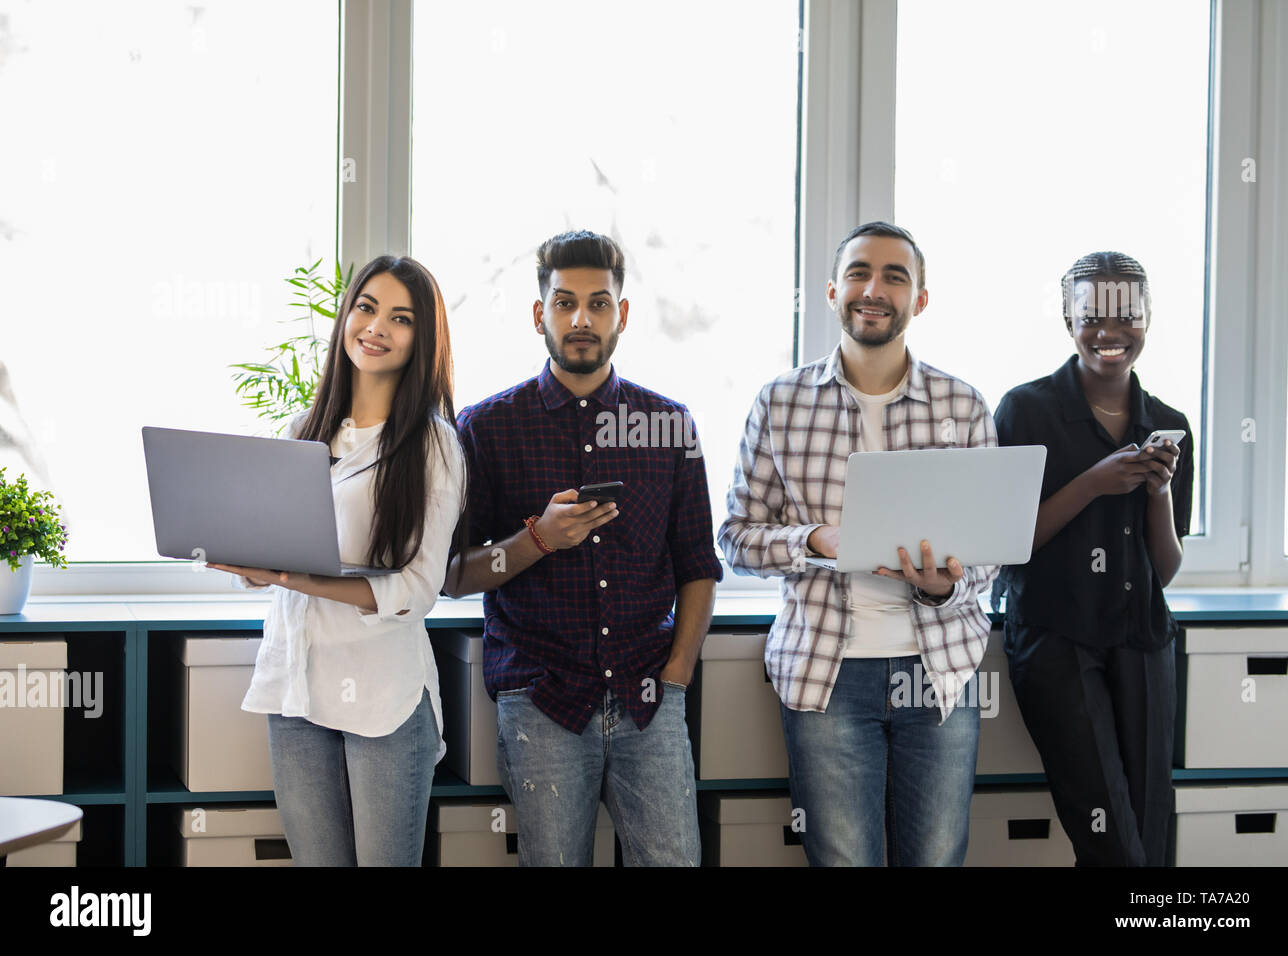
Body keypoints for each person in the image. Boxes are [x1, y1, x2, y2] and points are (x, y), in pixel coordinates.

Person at [718, 221, 997, 866]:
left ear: (919, 299)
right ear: (832, 290)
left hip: (940, 675)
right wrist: (815, 540)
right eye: (859, 273)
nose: (874, 289)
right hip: (826, 675)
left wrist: (947, 584)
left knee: (934, 861)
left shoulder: (964, 404)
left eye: (895, 277)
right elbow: (735, 538)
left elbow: (991, 551)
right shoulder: (780, 402)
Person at [444, 229, 722, 866]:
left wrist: (676, 676)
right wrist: (537, 539)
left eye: (599, 303)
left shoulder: (669, 425)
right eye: (564, 302)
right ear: (539, 314)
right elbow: (454, 575)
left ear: (621, 315)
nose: (581, 319)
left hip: (649, 695)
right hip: (541, 698)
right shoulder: (486, 427)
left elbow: (699, 567)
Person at [208, 254, 466, 866]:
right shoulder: (305, 429)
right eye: (366, 307)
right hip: (294, 689)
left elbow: (419, 589)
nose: (376, 327)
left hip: (382, 698)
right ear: (347, 315)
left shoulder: (434, 445)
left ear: (421, 339)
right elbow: (278, 559)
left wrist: (295, 576)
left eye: (400, 318)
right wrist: (252, 564)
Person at [992, 251, 1192, 866]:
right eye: (1091, 316)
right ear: (1067, 320)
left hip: (1143, 641)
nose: (1110, 332)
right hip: (1057, 641)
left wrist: (1156, 493)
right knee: (1111, 843)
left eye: (1127, 315)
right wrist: (1094, 483)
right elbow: (1005, 546)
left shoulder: (1169, 422)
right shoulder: (1025, 410)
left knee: (1151, 835)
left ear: (1148, 318)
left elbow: (1163, 570)